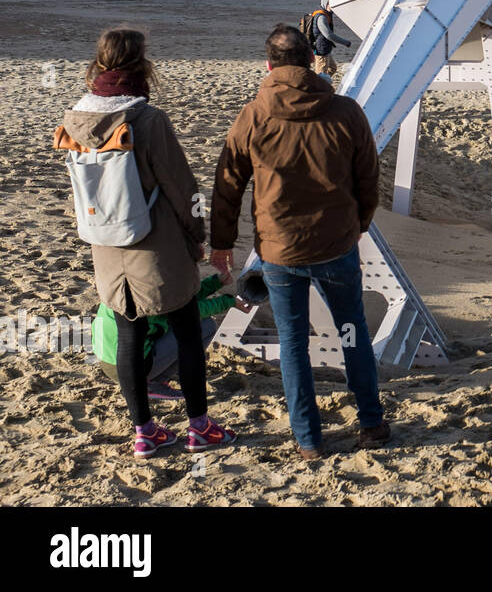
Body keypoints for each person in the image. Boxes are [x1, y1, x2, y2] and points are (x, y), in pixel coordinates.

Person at [209, 24, 386, 459]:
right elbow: (369, 181)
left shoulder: (254, 115)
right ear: (311, 61)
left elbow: (228, 183)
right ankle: (371, 422)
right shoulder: (345, 112)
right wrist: (358, 225)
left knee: (293, 343)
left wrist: (222, 242)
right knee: (351, 332)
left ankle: (308, 439)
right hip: (336, 245)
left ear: (268, 66)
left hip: (280, 249)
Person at [59, 29, 236, 458]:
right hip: (157, 247)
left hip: (105, 246)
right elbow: (182, 186)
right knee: (188, 333)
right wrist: (198, 239)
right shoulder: (148, 120)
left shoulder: (74, 120)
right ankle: (199, 427)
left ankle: (144, 432)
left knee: (128, 335)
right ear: (142, 64)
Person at [92, 273, 248, 399]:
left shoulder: (127, 282)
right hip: (133, 367)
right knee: (205, 326)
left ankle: (151, 379)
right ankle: (153, 382)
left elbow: (182, 299)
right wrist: (229, 302)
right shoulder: (154, 291)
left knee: (168, 325)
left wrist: (215, 283)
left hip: (106, 362)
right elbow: (189, 310)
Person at [304, 0, 352, 79]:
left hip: (326, 49)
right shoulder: (321, 18)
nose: (333, 6)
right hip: (321, 51)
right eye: (330, 3)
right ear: (325, 4)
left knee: (332, 68)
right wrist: (345, 42)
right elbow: (328, 35)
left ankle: (324, 83)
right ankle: (319, 87)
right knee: (321, 76)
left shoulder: (327, 14)